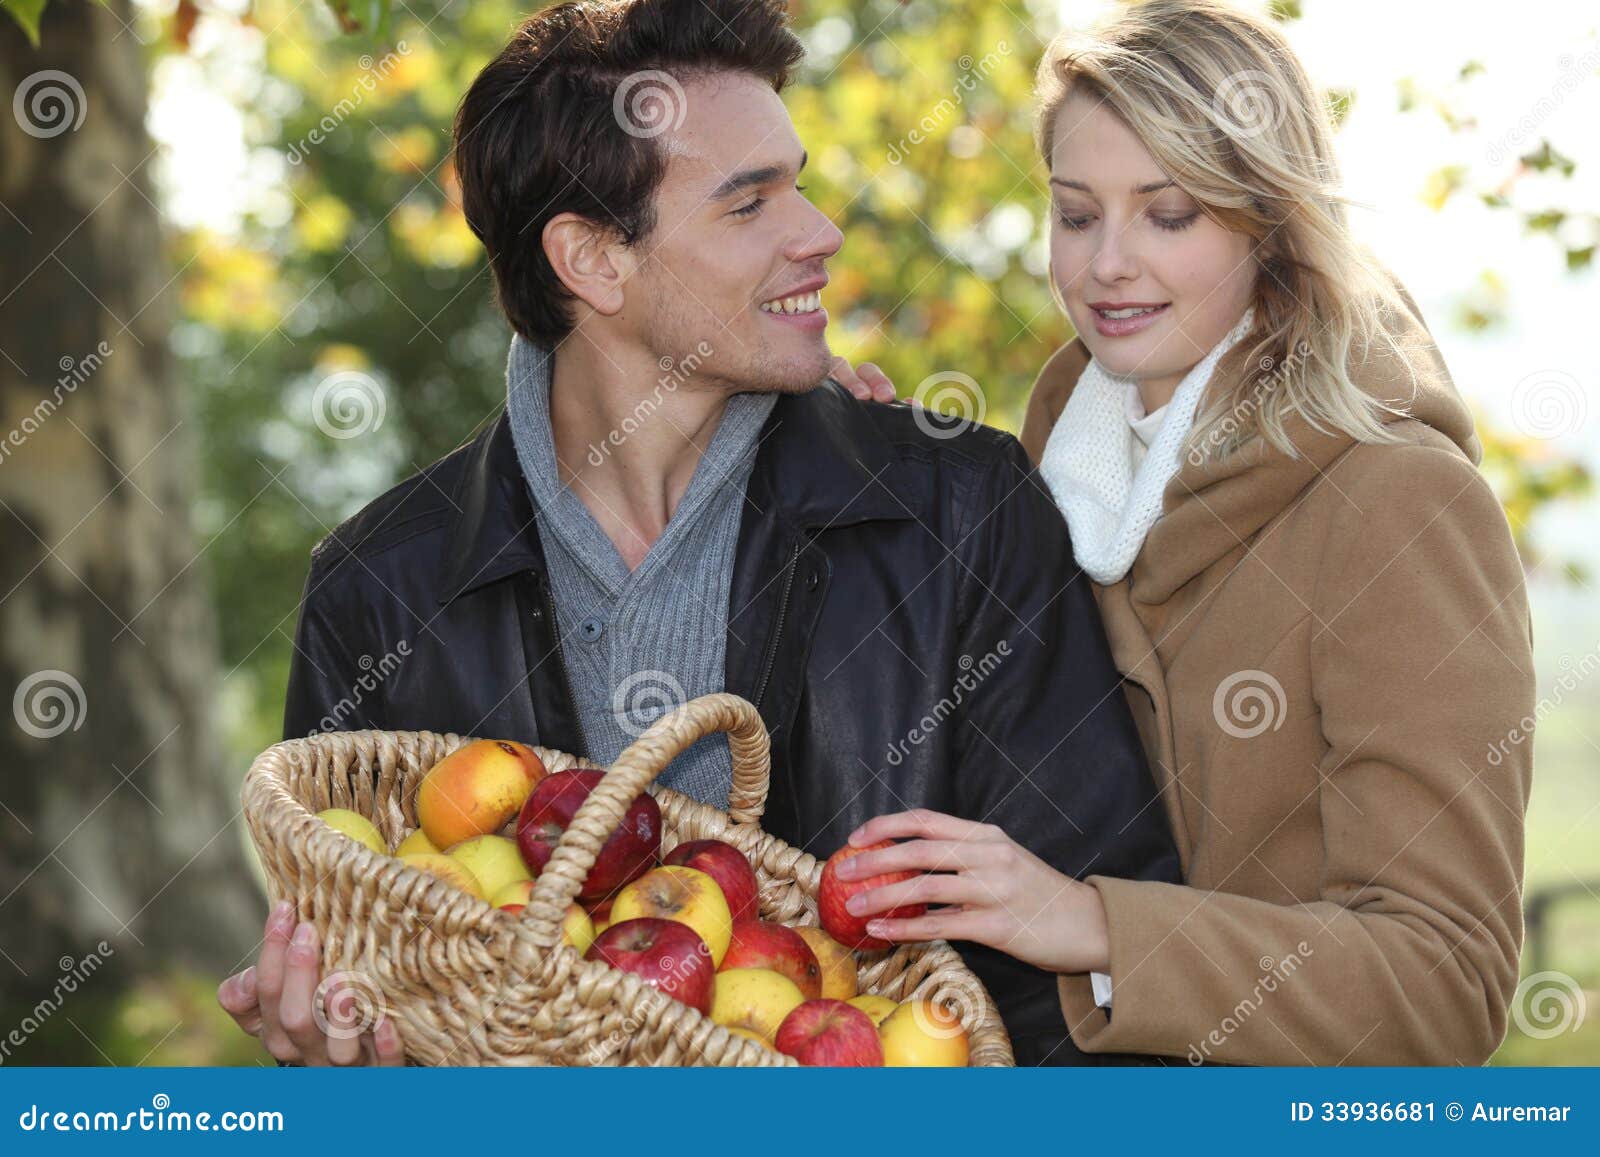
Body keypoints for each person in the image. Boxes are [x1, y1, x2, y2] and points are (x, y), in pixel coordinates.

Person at [216, 0, 1180, 1067]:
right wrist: (358, 1085)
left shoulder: (960, 511)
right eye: (748, 203)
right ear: (593, 260)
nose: (818, 231)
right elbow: (378, 981)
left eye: (798, 181)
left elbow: (1104, 971)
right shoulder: (381, 591)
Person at [830, 0, 1534, 1065]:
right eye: (1076, 215)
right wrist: (868, 468)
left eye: (1168, 215)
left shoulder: (1397, 501)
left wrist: (1099, 925)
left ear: (1270, 222)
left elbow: (1445, 982)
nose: (1107, 263)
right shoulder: (1060, 458)